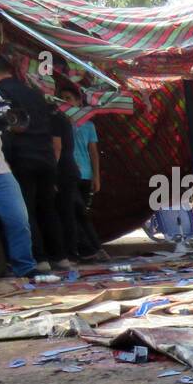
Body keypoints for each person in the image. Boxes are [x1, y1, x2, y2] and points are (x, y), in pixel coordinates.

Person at [0, 54, 61, 270]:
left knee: (20, 217)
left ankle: (28, 265)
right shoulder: (34, 93)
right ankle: (54, 258)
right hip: (42, 158)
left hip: (6, 166)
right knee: (42, 210)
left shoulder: (1, 95)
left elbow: (13, 124)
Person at [58, 84, 105, 261]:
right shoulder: (58, 122)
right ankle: (89, 249)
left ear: (79, 101)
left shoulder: (88, 125)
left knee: (80, 214)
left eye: (68, 98)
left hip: (84, 174)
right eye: (62, 98)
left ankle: (92, 249)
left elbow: (93, 152)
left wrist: (96, 176)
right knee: (73, 213)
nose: (65, 102)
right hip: (67, 173)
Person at [0, 87, 37, 279]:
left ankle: (25, 266)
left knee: (18, 219)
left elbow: (17, 124)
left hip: (0, 170)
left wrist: (8, 120)